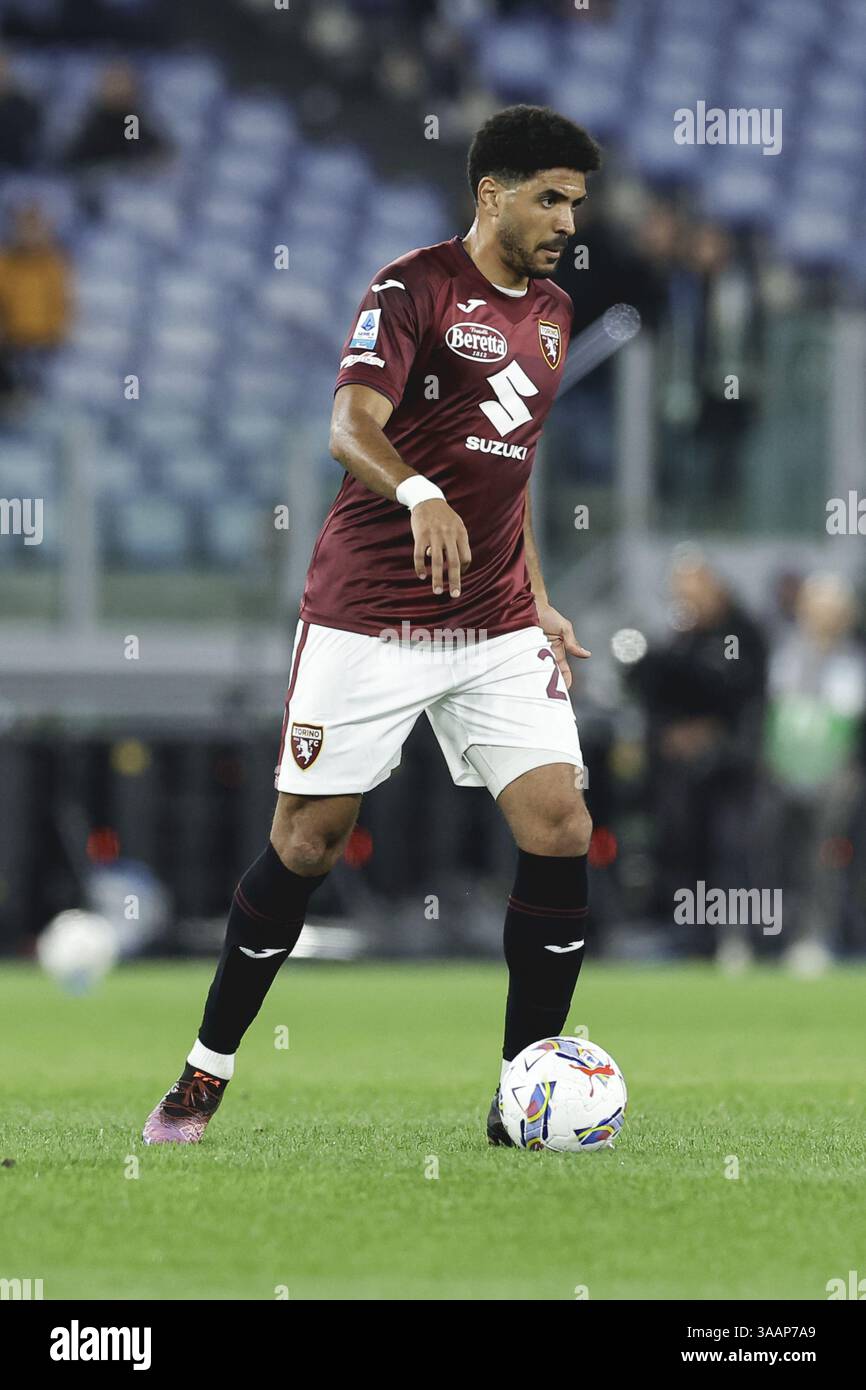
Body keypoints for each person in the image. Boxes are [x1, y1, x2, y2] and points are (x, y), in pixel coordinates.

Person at [142, 104, 603, 1146]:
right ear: (492, 193)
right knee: (308, 840)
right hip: (370, 613)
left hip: (489, 620)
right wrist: (416, 496)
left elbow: (508, 470)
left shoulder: (555, 313)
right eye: (549, 198)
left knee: (559, 823)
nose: (567, 220)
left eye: (575, 202)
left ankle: (518, 1097)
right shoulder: (411, 287)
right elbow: (349, 423)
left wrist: (533, 591)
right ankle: (203, 1075)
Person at [0, 203, 70, 397]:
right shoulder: (5, 261)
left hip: (42, 342)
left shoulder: (53, 264)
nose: (28, 234)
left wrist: (56, 335)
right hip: (10, 342)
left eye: (34, 229)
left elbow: (62, 303)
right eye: (23, 228)